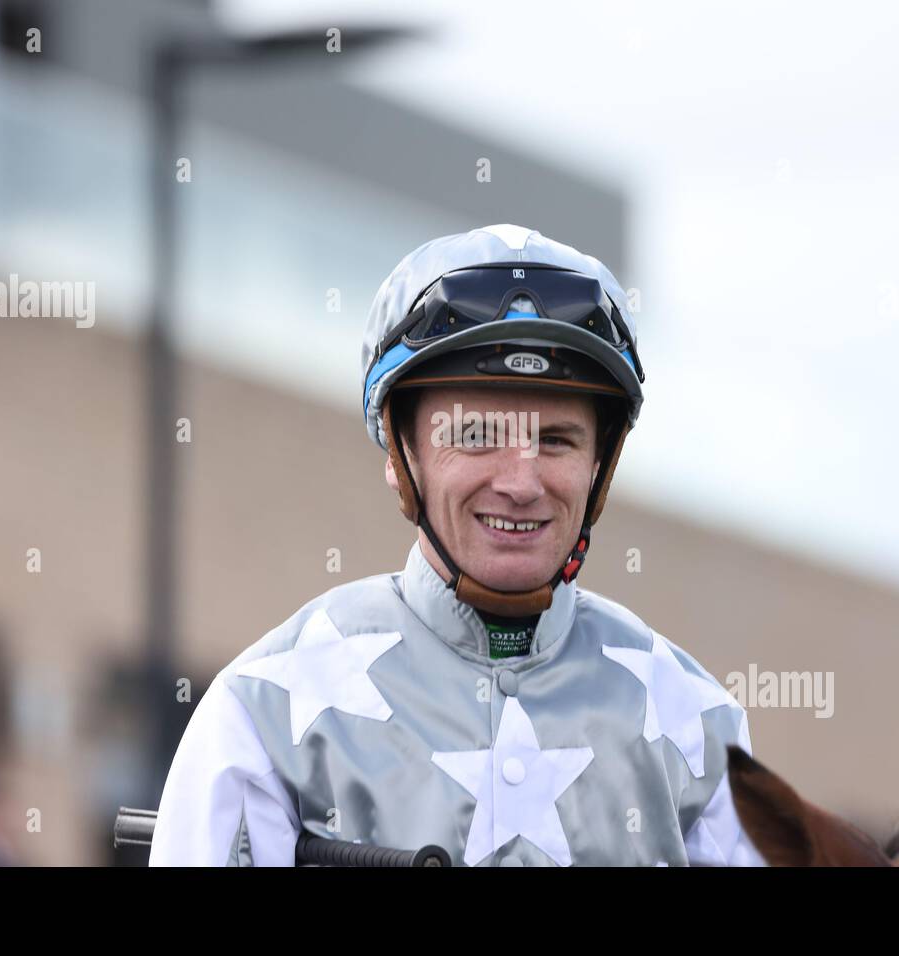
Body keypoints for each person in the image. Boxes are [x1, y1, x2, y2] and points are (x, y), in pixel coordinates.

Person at [149, 223, 765, 866]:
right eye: (476, 435)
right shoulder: (259, 712)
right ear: (401, 453)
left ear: (599, 466)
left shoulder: (701, 723)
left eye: (556, 440)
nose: (521, 483)